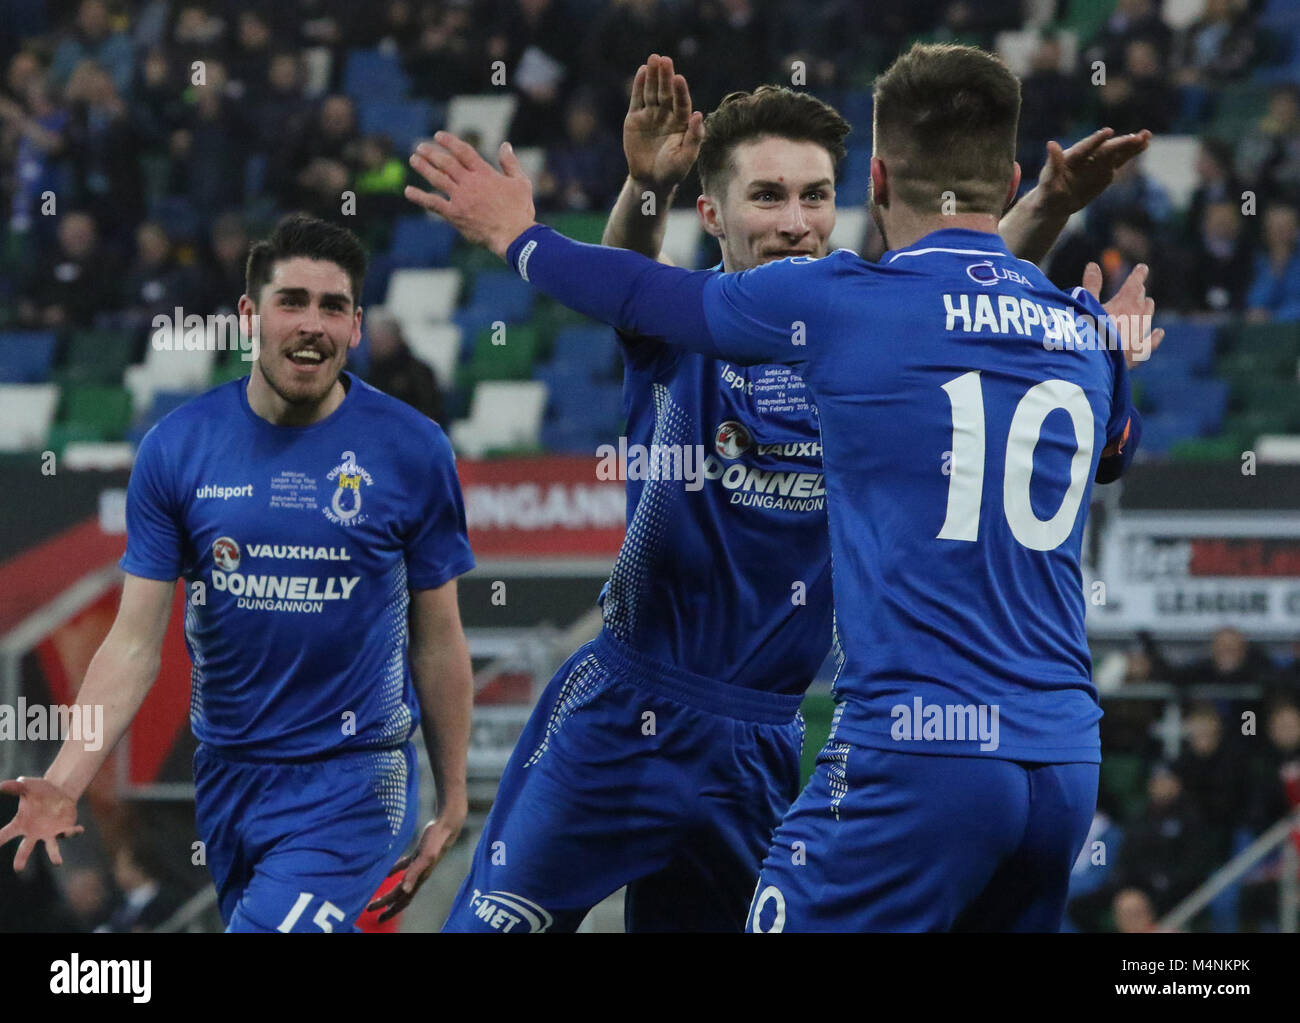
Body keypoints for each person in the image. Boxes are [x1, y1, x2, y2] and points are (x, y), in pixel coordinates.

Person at [425, 50, 1156, 933]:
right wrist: (636, 193)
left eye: (815, 196)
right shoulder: (699, 319)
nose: (795, 220)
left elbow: (959, 294)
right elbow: (627, 284)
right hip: (624, 712)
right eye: (766, 196)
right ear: (715, 215)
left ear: (859, 193)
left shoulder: (856, 325)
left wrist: (1042, 207)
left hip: (764, 737)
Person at [0, 214, 475, 933]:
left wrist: (454, 796)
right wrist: (65, 779)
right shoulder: (179, 449)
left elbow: (438, 640)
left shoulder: (413, 451)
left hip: (356, 780)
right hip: (227, 780)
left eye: (334, 306)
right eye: (292, 301)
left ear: (354, 327)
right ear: (250, 316)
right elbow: (132, 645)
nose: (312, 323)